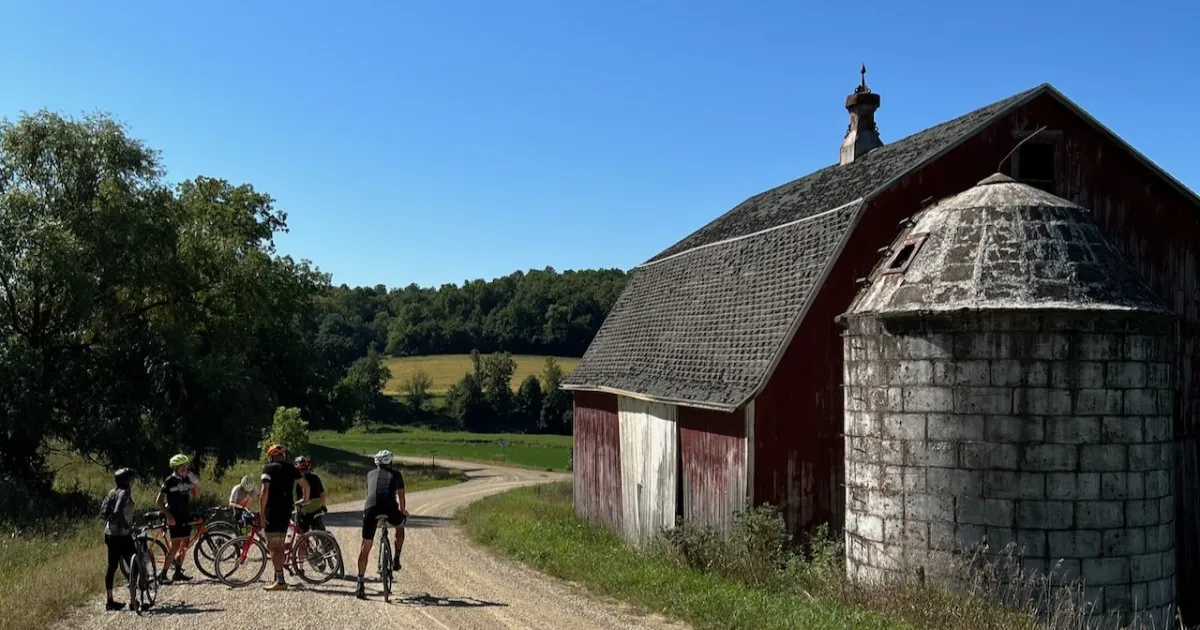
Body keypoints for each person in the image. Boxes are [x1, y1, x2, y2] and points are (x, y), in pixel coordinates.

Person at [355, 449, 407, 600]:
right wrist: (403, 511)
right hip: (390, 508)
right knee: (400, 526)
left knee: (365, 546)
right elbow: (401, 495)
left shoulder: (370, 474)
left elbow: (370, 492)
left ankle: (360, 583)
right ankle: (396, 558)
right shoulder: (396, 474)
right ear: (390, 462)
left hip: (371, 508)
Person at [259, 444, 310, 591]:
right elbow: (305, 485)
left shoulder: (268, 468)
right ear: (283, 456)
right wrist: (305, 500)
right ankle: (278, 573)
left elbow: (264, 492)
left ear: (270, 456)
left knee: (273, 546)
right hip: (286, 509)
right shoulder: (291, 468)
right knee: (280, 544)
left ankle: (280, 580)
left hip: (272, 510)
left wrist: (261, 513)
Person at [155, 454, 200, 583]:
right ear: (175, 467)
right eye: (181, 466)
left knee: (185, 544)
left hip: (185, 515)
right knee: (175, 546)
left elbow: (196, 496)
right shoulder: (169, 481)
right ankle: (163, 574)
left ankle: (178, 572)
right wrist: (168, 515)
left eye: (185, 465)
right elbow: (159, 500)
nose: (184, 468)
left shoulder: (187, 480)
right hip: (174, 516)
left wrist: (194, 483)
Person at [100, 467, 137, 611]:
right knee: (134, 566)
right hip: (122, 535)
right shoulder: (124, 494)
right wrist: (127, 526)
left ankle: (110, 601)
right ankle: (134, 601)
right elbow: (118, 511)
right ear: (128, 481)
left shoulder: (112, 492)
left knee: (112, 567)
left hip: (110, 534)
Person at [293, 456, 327, 532]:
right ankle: (326, 541)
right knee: (320, 528)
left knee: (299, 533)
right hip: (317, 508)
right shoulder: (315, 477)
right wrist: (323, 506)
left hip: (304, 510)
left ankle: (303, 542)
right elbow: (322, 494)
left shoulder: (298, 480)